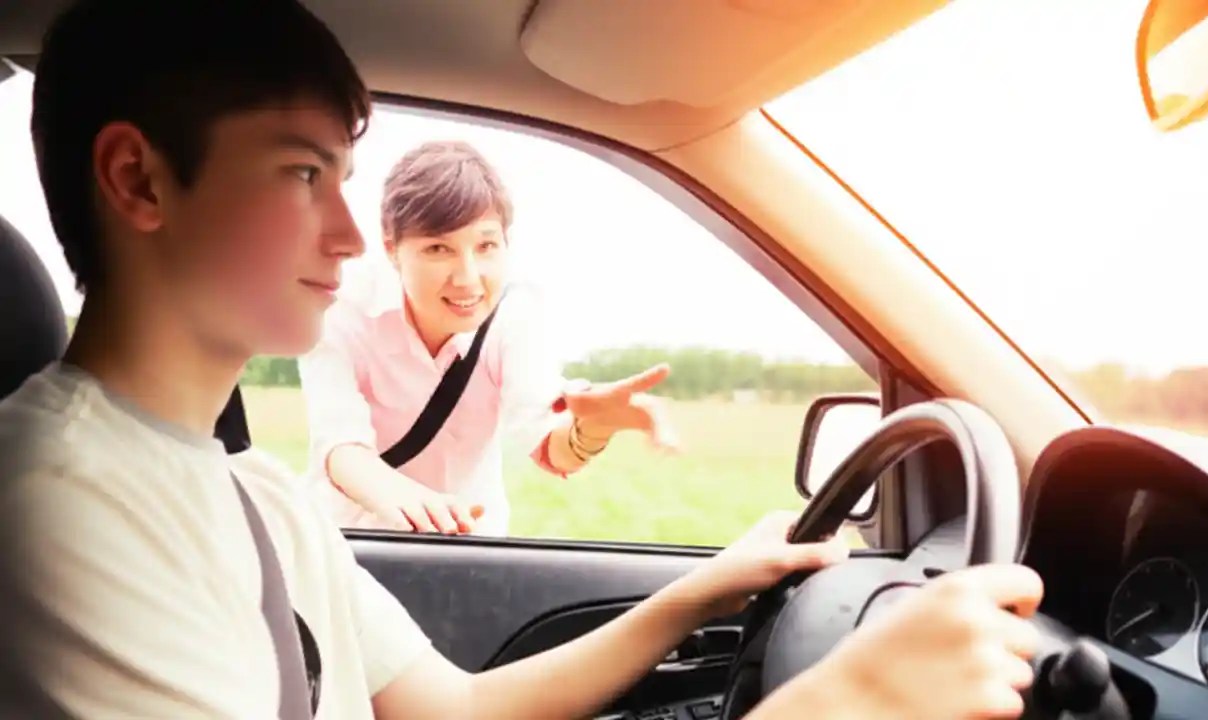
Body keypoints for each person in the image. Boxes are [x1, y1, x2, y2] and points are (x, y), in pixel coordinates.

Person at [0, 0, 1045, 717]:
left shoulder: (258, 497)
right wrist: (835, 702)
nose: (352, 239)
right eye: (300, 173)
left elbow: (452, 706)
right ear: (138, 181)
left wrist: (699, 593)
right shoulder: (50, 498)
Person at [299, 140, 676, 536]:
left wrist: (594, 429)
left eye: (486, 246)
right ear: (392, 248)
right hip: (347, 541)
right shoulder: (343, 306)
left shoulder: (515, 311)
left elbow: (548, 445)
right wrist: (414, 506)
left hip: (468, 542)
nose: (467, 278)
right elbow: (339, 443)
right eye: (438, 248)